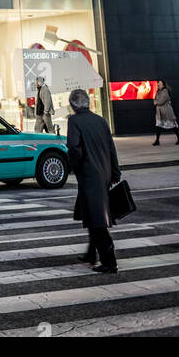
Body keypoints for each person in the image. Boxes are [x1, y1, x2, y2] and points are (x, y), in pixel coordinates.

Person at [66, 88, 121, 275]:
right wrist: (115, 172)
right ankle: (91, 253)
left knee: (97, 219)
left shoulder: (74, 121)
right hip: (103, 173)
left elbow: (73, 147)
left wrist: (75, 165)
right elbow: (111, 147)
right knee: (90, 213)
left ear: (73, 105)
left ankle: (109, 261)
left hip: (89, 175)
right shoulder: (100, 120)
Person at [152, 79, 179, 145]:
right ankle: (157, 141)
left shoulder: (165, 91)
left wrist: (156, 103)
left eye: (159, 83)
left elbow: (161, 101)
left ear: (163, 84)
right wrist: (156, 102)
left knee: (173, 125)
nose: (158, 84)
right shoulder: (158, 91)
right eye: (158, 83)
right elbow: (155, 100)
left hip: (166, 112)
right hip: (160, 112)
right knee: (158, 126)